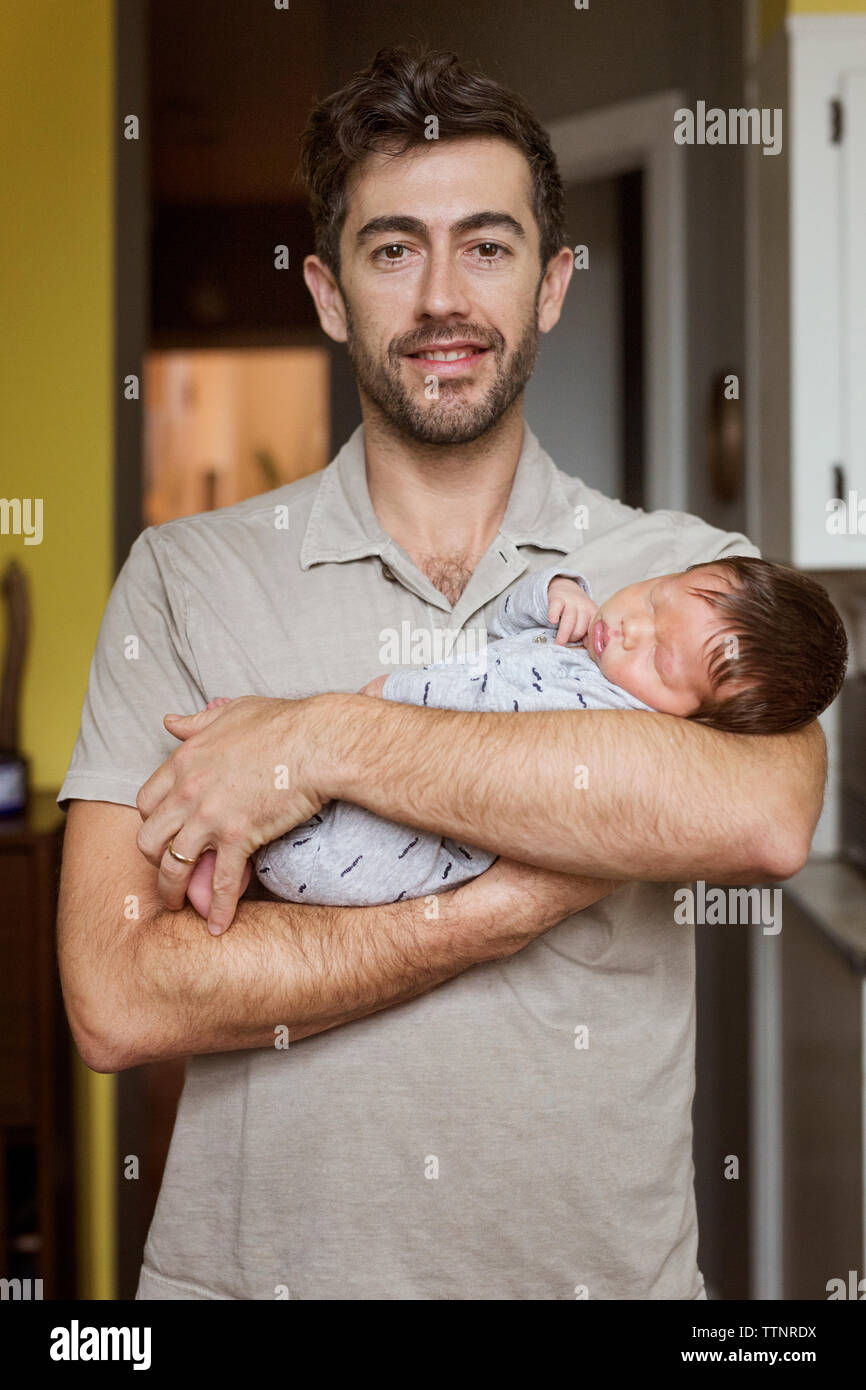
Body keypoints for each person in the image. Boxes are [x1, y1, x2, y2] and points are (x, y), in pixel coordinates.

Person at [57, 48, 826, 1300]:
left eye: (486, 244)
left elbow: (763, 816)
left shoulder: (687, 576)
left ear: (552, 282)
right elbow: (119, 995)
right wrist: (507, 905)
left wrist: (317, 745)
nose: (441, 298)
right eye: (391, 248)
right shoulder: (183, 576)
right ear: (324, 291)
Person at [185, 556, 846, 914]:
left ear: (696, 722)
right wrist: (555, 590)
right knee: (306, 769)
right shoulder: (591, 640)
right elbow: (508, 627)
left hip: (424, 836)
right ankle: (243, 813)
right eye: (655, 599)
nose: (633, 630)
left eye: (660, 661)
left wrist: (382, 704)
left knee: (354, 841)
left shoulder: (608, 714)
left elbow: (486, 712)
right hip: (363, 763)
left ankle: (251, 862)